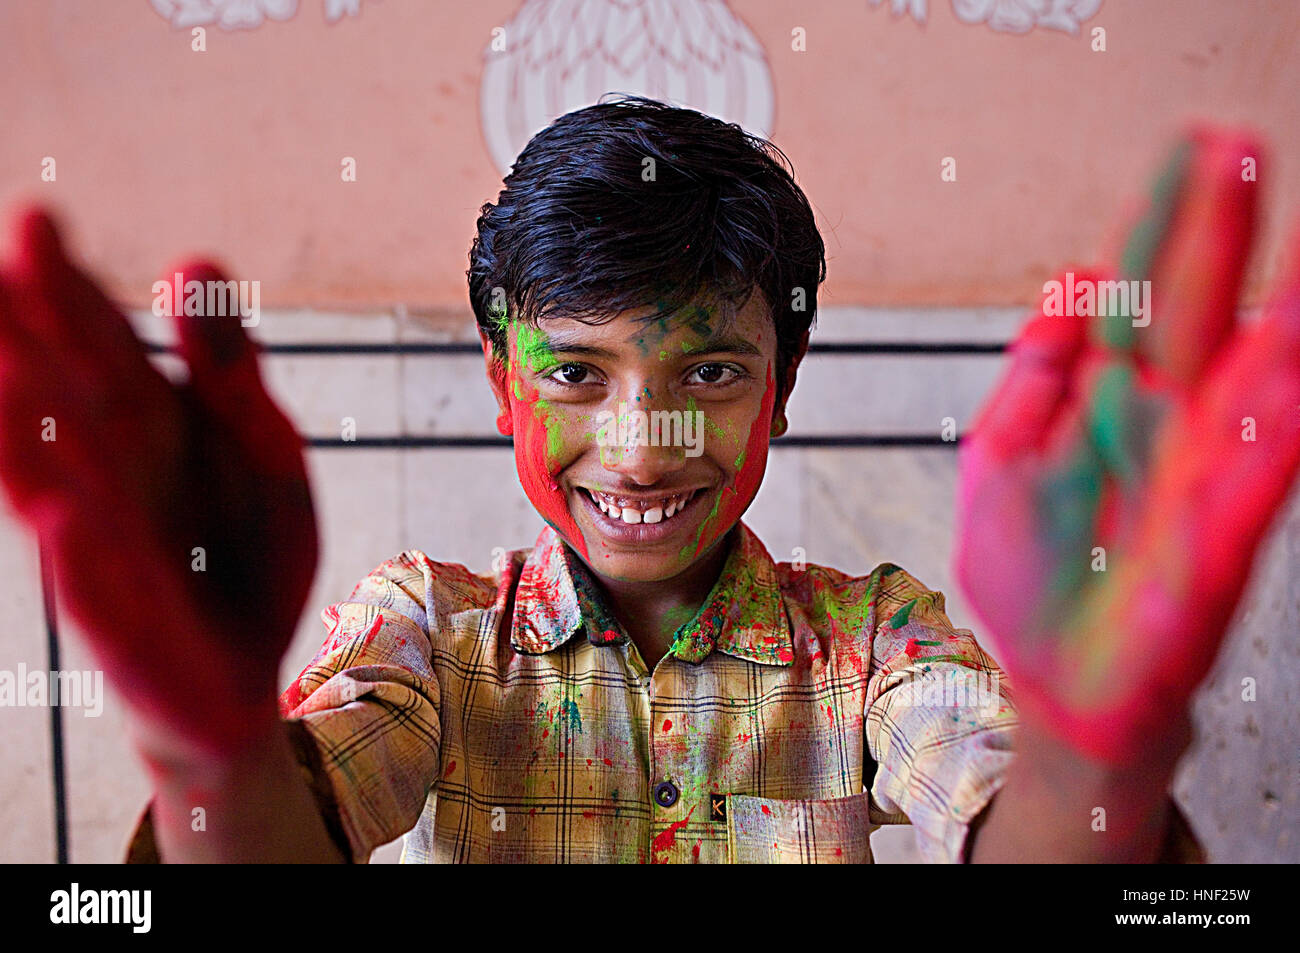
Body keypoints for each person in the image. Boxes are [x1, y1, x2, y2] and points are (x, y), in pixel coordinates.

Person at [0, 96, 1295, 863]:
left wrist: (1085, 750)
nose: (642, 440)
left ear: (781, 390)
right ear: (505, 388)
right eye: (575, 371)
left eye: (715, 372)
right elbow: (303, 808)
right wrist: (206, 745)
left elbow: (998, 798)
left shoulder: (872, 640)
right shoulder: (431, 633)